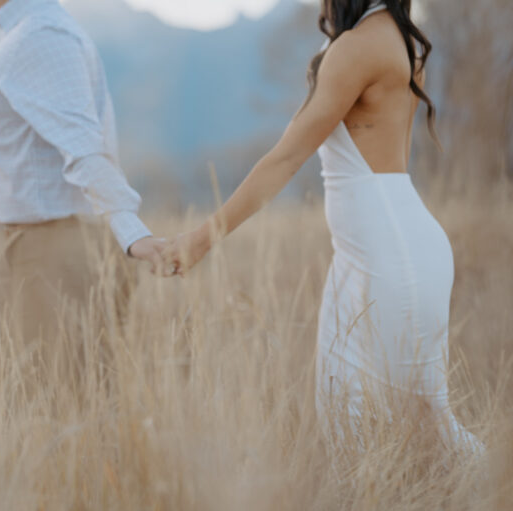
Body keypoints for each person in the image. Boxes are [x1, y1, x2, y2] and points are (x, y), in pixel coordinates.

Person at [162, 0, 481, 453]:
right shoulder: (396, 37)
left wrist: (200, 240)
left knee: (415, 435)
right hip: (374, 252)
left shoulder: (358, 47)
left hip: (391, 258)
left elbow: (287, 158)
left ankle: (495, 487)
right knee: (375, 429)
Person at [0, 0, 166, 346]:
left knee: (57, 395)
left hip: (53, 258)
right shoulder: (36, 33)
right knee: (53, 395)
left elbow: (84, 148)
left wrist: (133, 234)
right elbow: (21, 164)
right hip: (52, 252)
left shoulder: (38, 36)